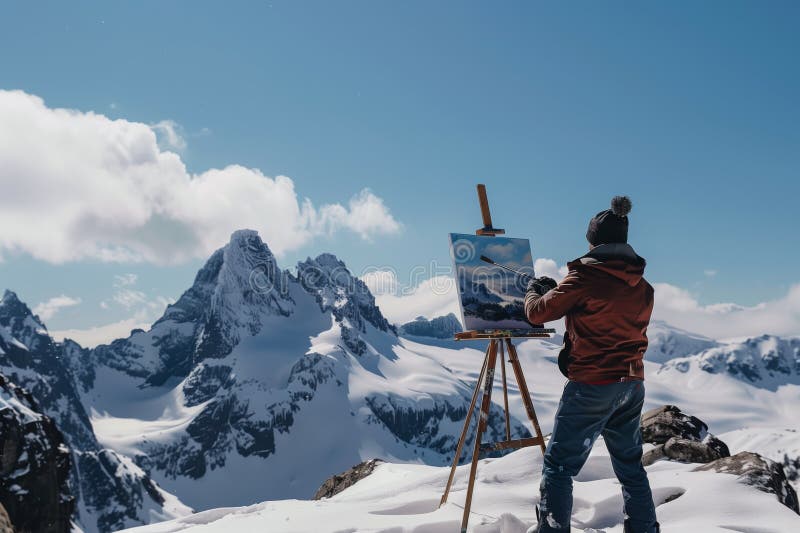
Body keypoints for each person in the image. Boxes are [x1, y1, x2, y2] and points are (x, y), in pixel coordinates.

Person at [524, 196, 660, 533]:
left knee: (558, 467)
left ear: (593, 241)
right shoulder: (643, 286)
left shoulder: (585, 277)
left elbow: (537, 313)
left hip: (592, 385)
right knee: (630, 466)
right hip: (632, 383)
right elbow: (606, 313)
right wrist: (562, 293)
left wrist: (535, 290)